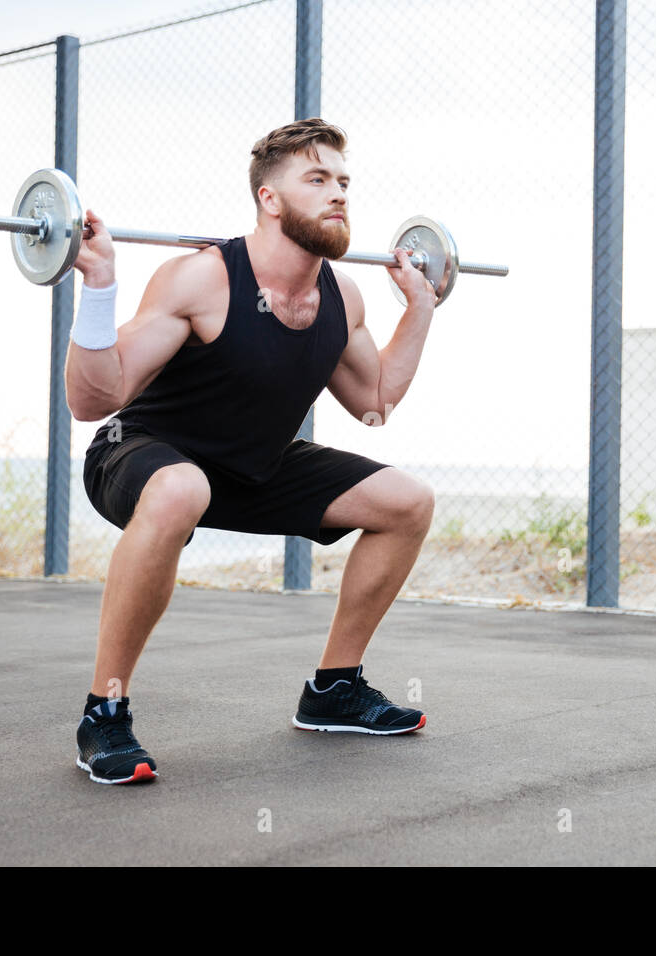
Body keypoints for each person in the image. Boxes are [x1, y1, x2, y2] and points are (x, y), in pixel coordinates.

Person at [68, 118, 438, 784]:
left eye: (344, 182)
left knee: (407, 503)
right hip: (142, 454)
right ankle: (104, 711)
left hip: (253, 465)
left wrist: (420, 309)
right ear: (270, 199)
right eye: (318, 180)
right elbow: (94, 401)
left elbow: (374, 400)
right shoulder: (201, 280)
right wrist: (98, 286)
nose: (339, 196)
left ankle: (334, 690)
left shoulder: (340, 296)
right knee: (184, 488)